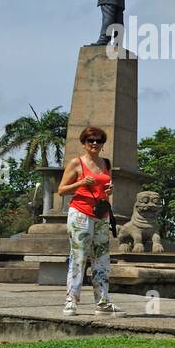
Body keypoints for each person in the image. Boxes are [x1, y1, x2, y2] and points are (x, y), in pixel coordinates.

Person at [56, 125, 122, 315]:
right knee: (79, 257)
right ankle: (71, 300)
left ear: (103, 144)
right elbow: (61, 190)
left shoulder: (106, 164)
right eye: (90, 140)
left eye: (99, 140)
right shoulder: (77, 163)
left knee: (101, 260)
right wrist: (81, 183)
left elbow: (105, 186)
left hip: (101, 215)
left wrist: (109, 191)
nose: (94, 143)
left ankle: (103, 302)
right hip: (80, 214)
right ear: (84, 143)